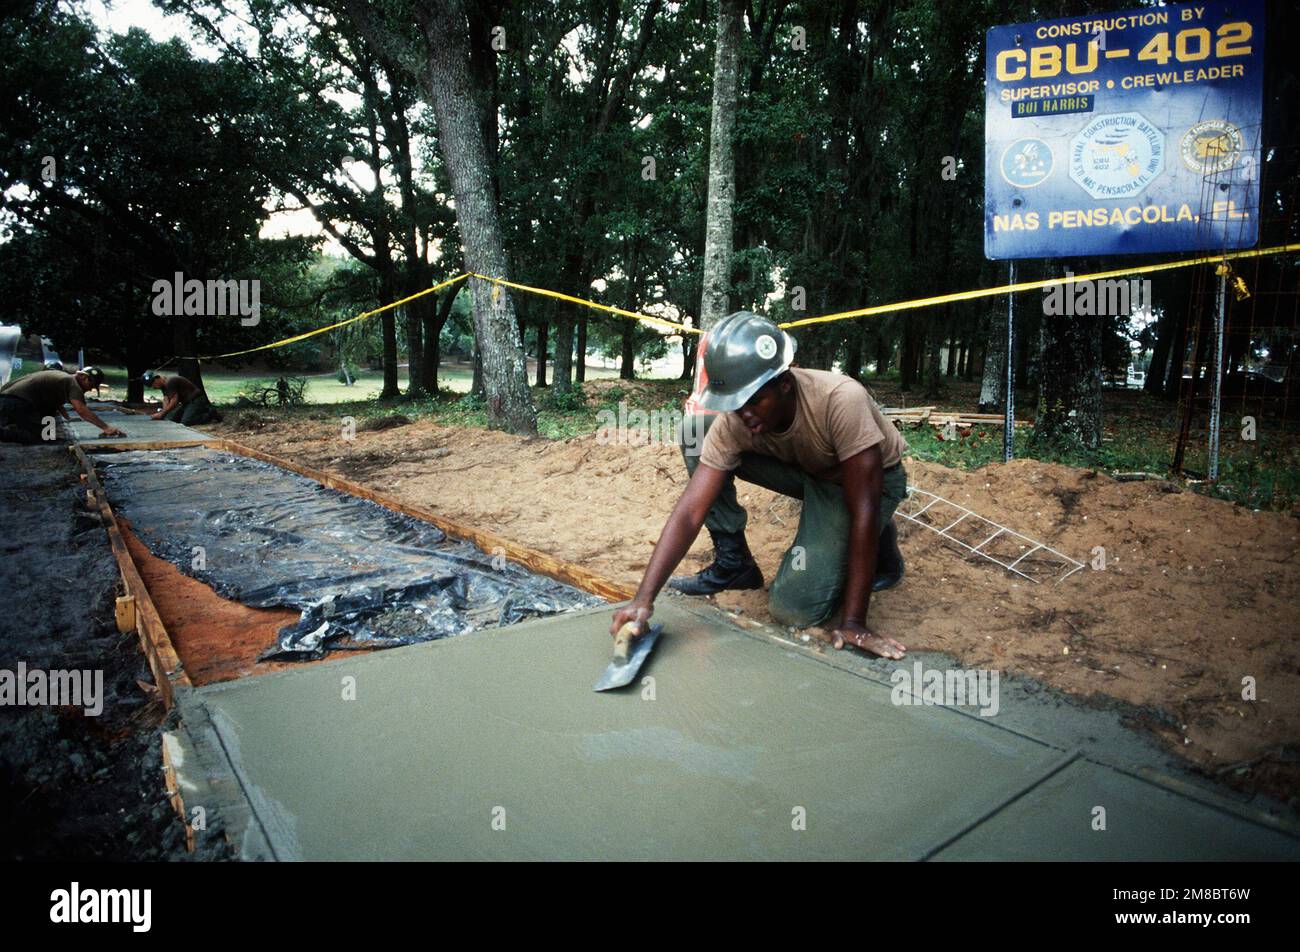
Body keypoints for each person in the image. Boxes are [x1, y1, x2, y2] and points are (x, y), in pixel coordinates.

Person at [612, 311, 909, 659]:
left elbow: (864, 507)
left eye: (754, 401)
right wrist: (643, 599)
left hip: (861, 485)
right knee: (696, 431)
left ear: (786, 383)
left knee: (793, 610)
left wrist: (854, 621)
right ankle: (734, 563)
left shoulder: (841, 400)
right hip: (807, 469)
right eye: (735, 404)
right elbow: (691, 511)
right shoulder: (739, 419)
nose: (744, 414)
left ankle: (881, 541)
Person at [0, 366, 126, 443]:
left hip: (10, 400)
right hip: (14, 403)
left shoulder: (63, 380)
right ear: (83, 377)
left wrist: (66, 417)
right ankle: (4, 433)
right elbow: (82, 410)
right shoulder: (72, 383)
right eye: (91, 386)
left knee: (47, 435)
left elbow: (53, 401)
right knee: (35, 438)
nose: (89, 390)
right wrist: (106, 427)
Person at [142, 370, 217, 426]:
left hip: (196, 400)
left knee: (186, 422)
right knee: (172, 419)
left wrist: (162, 414)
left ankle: (210, 414)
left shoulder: (170, 382)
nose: (153, 386)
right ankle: (197, 411)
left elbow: (174, 401)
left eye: (153, 383)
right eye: (151, 385)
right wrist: (163, 414)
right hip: (187, 403)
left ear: (157, 378)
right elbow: (166, 399)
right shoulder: (163, 385)